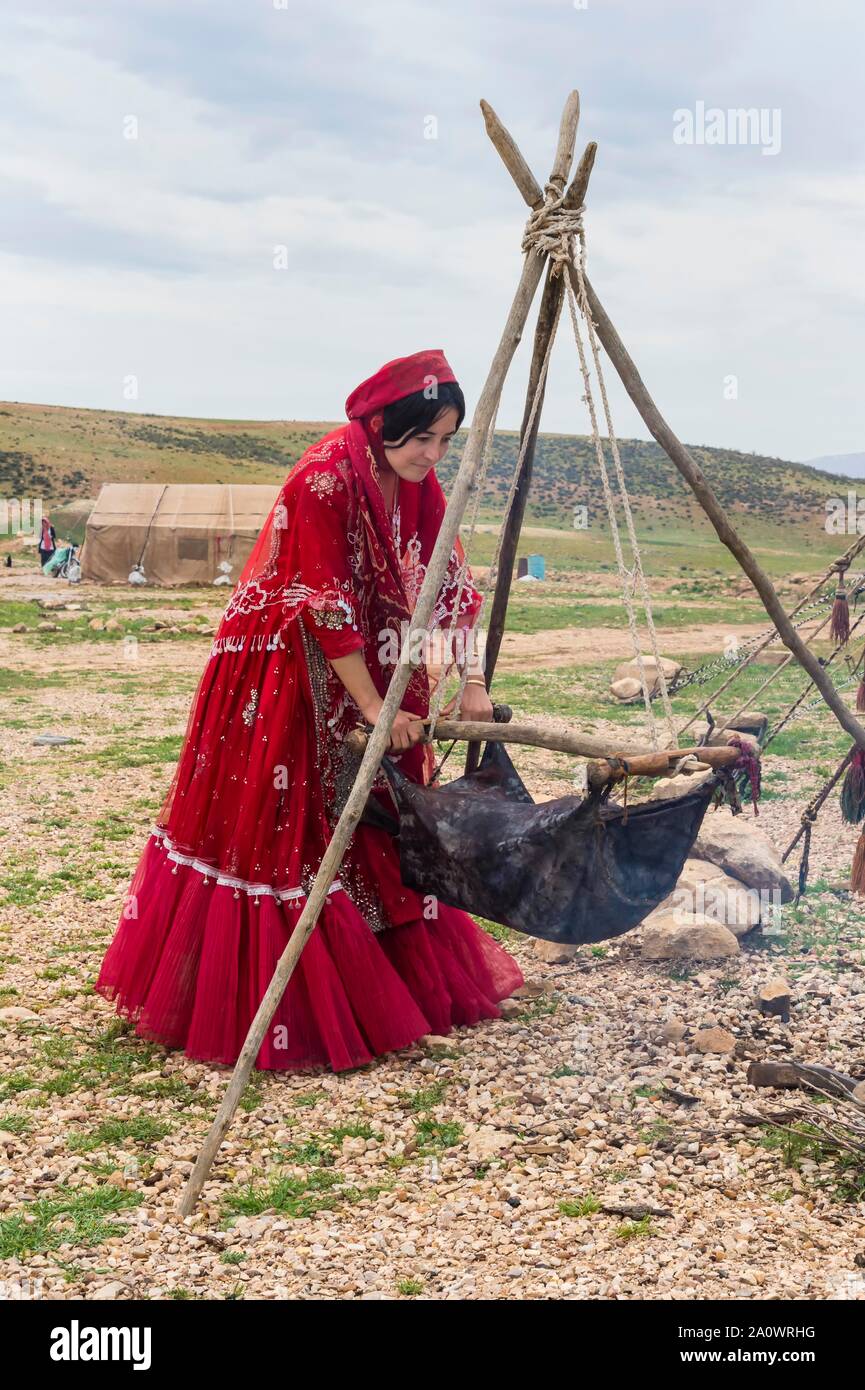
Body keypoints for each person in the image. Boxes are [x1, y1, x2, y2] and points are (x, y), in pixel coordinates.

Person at [95, 349, 524, 1072]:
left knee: (383, 811)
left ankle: (382, 981)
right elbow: (322, 604)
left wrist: (470, 679)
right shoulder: (324, 477)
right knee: (290, 821)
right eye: (423, 437)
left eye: (447, 440)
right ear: (384, 422)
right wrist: (373, 710)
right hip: (290, 668)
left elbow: (451, 579)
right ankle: (281, 1005)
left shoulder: (419, 486)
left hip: (377, 659)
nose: (433, 454)